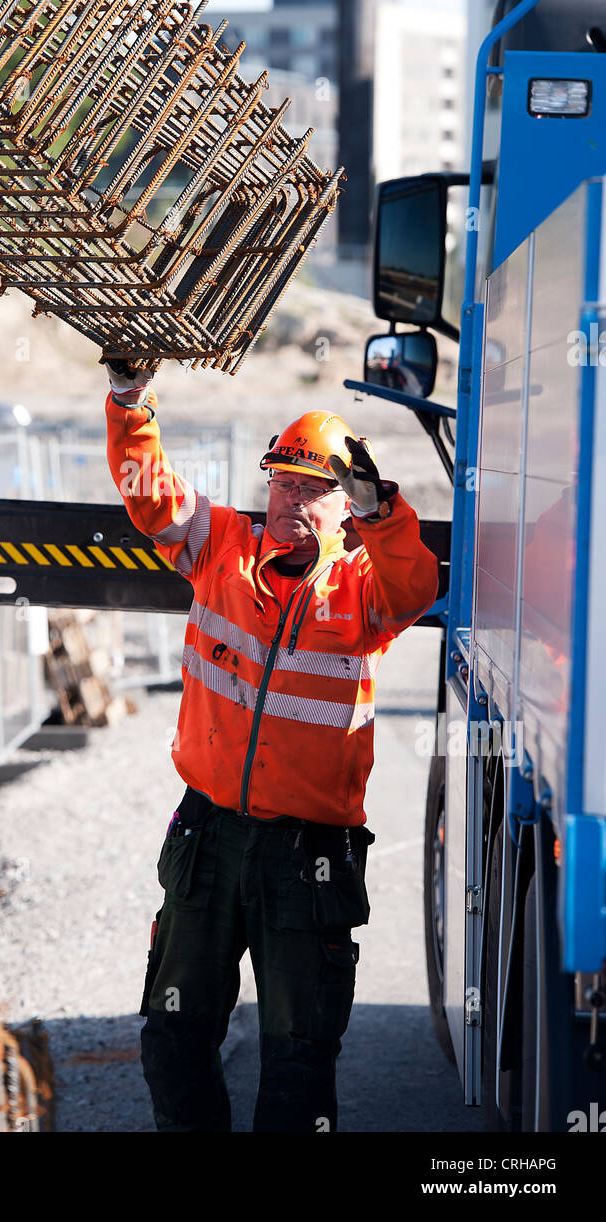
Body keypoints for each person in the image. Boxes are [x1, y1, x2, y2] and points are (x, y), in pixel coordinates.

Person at [104, 359, 439, 1133]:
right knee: (173, 1039)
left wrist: (381, 509)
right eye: (283, 483)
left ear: (342, 506)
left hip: (306, 857)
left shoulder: (363, 587)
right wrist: (129, 402)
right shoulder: (220, 546)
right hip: (210, 835)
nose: (290, 500)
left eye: (312, 489)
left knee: (297, 1062)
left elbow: (416, 588)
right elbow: (149, 494)